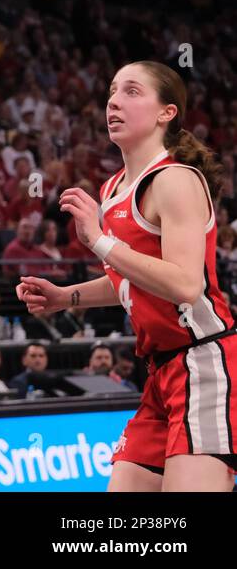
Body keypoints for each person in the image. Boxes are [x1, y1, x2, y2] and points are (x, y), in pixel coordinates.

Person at [18, 61, 237, 491]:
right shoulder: (113, 187)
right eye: (112, 91)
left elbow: (184, 285)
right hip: (160, 374)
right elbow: (130, 282)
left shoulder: (175, 179)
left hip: (206, 363)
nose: (114, 101)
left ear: (166, 112)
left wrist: (99, 241)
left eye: (132, 92)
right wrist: (66, 298)